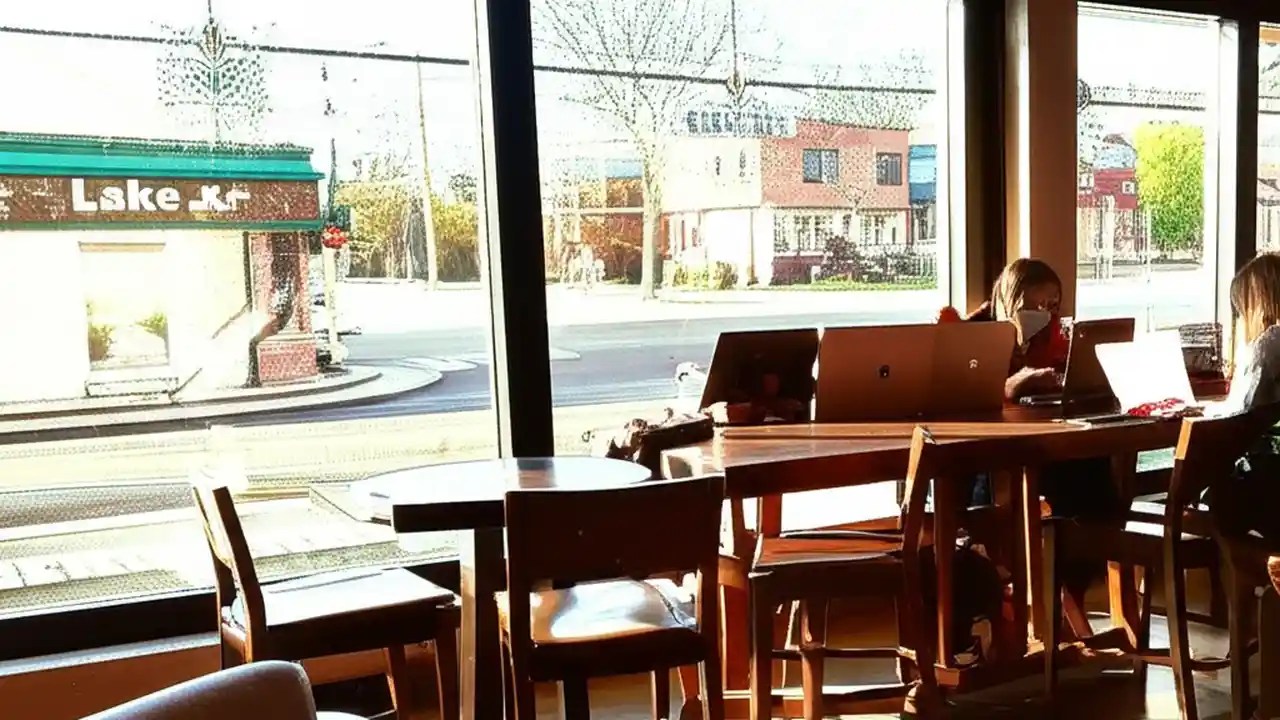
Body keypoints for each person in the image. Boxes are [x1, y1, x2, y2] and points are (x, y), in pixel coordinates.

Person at [1205, 252, 1280, 540]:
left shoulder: (1269, 344)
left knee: (1214, 496)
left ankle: (1241, 567)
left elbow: (1238, 414)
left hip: (1270, 489)